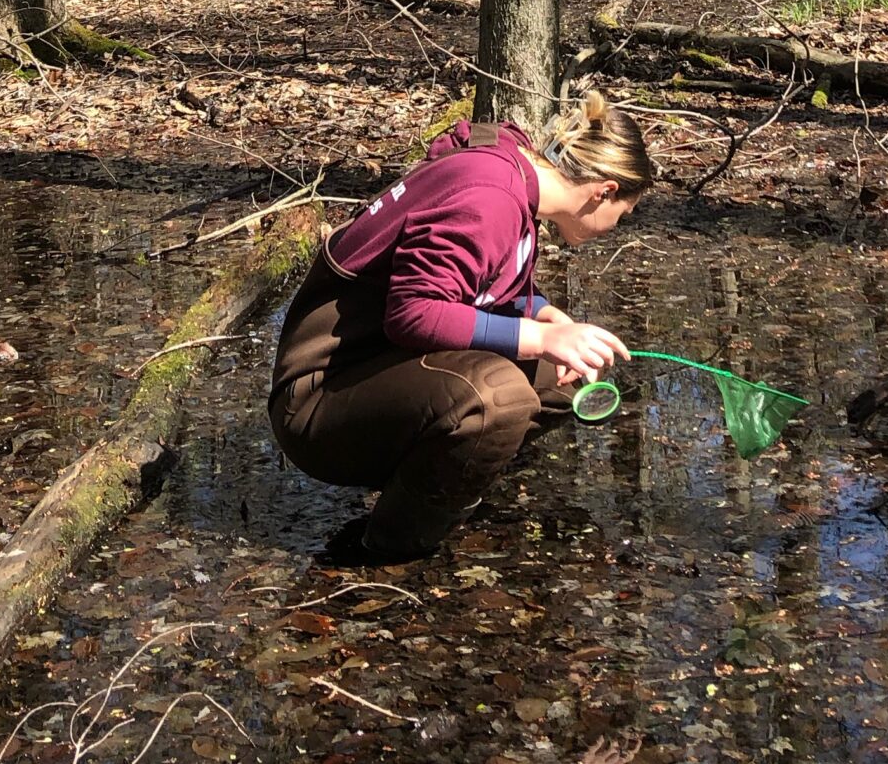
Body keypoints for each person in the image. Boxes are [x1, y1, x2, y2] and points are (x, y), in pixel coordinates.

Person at [269, 91, 655, 563]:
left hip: (377, 365)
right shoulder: (489, 198)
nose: (612, 227)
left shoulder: (514, 171)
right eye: (622, 217)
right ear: (605, 190)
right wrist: (538, 339)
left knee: (572, 371)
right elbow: (414, 312)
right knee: (499, 397)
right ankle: (389, 550)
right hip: (318, 400)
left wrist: (542, 313)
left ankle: (434, 479)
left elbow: (475, 277)